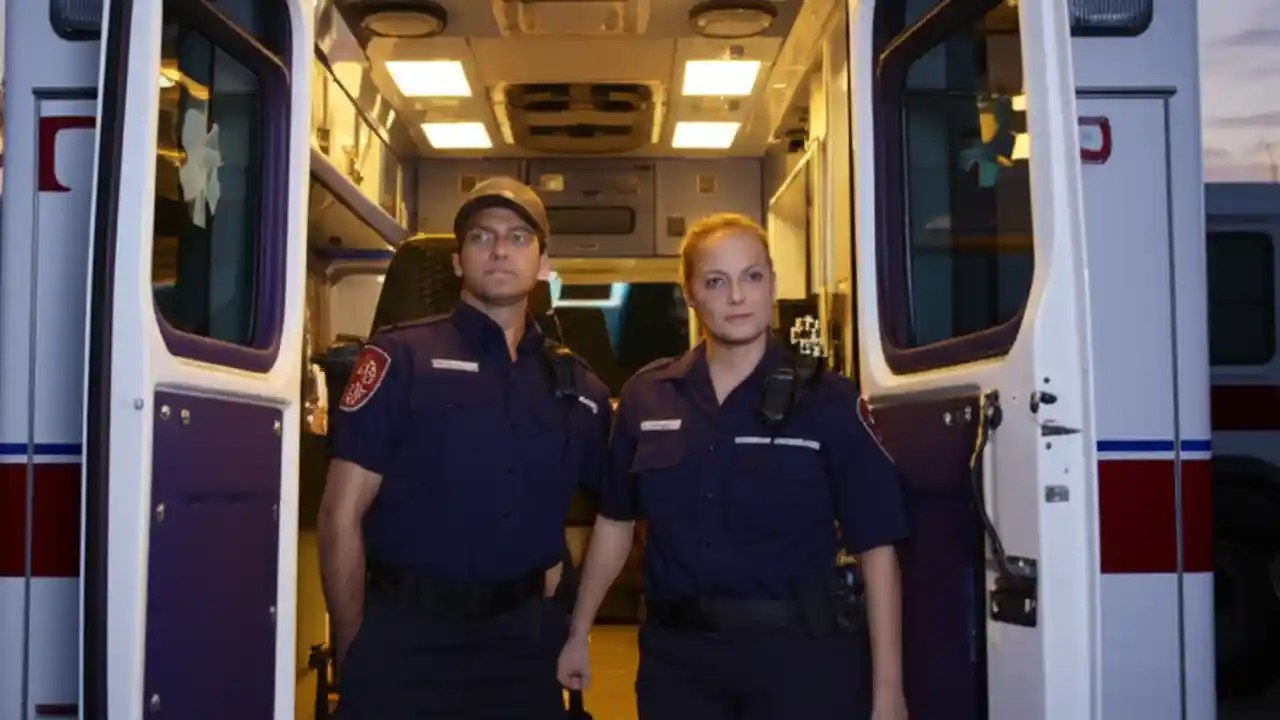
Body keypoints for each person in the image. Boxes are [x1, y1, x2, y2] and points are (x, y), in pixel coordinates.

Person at [557, 212, 910, 720]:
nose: (738, 297)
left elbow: (877, 547)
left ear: (771, 284)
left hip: (801, 661)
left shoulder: (828, 402)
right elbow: (615, 523)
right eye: (716, 281)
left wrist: (888, 691)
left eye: (752, 277)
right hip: (679, 665)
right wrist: (578, 633)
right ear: (690, 294)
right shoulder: (647, 397)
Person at [319, 176, 612, 719]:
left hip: (520, 650)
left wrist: (570, 623)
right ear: (458, 262)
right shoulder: (398, 359)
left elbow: (609, 513)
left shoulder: (580, 391)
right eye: (482, 236)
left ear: (544, 264)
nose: (500, 248)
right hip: (404, 637)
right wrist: (354, 644)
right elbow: (341, 513)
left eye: (520, 237)